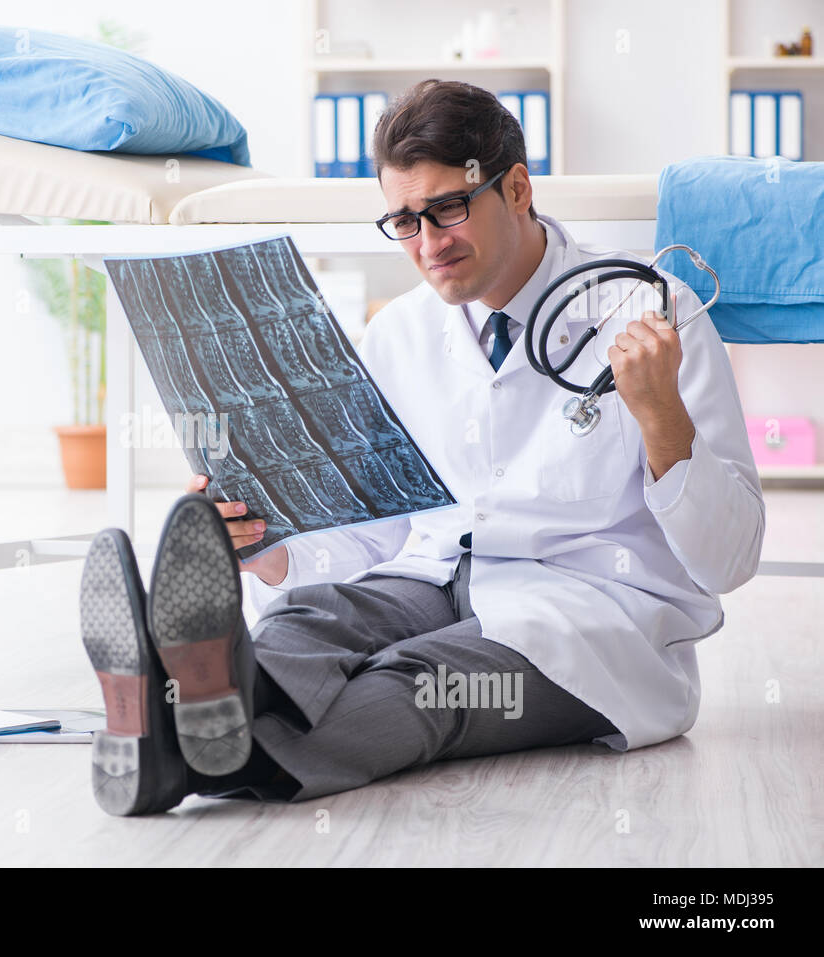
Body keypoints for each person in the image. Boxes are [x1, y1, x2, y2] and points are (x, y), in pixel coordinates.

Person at [79, 79, 766, 815]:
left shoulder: (655, 314)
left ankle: (169, 738)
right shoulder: (398, 333)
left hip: (589, 616)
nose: (429, 244)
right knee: (303, 621)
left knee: (417, 682)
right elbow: (373, 534)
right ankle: (192, 715)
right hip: (430, 575)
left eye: (447, 209)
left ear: (519, 188)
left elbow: (729, 560)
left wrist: (662, 413)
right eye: (405, 221)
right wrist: (264, 544)